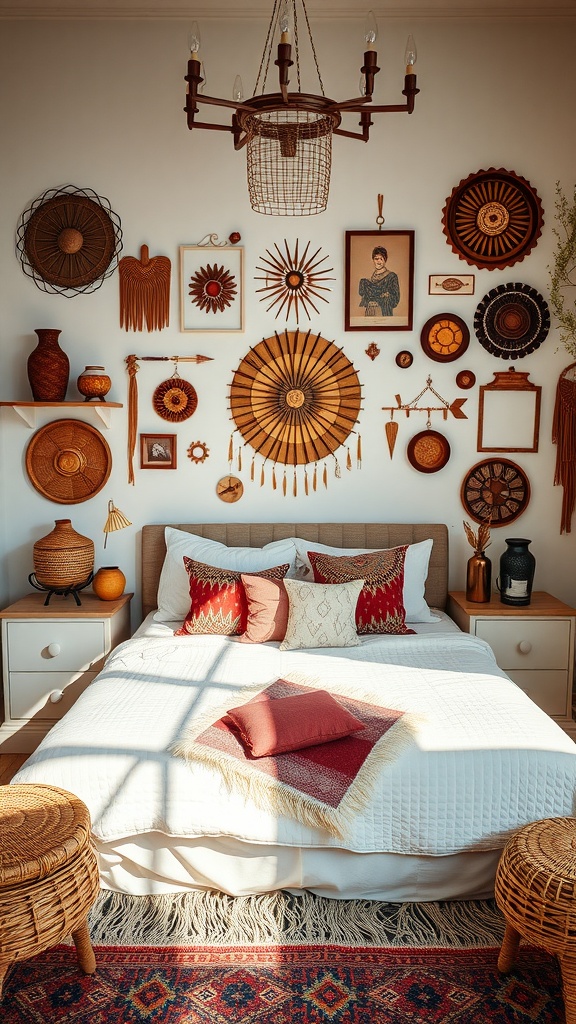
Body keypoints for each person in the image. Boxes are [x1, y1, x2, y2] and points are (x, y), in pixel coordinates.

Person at [358, 246, 400, 317]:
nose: (378, 261)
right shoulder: (367, 282)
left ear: (385, 260)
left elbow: (396, 298)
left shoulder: (392, 277)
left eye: (381, 259)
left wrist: (387, 296)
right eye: (376, 259)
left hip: (384, 313)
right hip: (371, 313)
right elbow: (363, 295)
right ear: (373, 260)